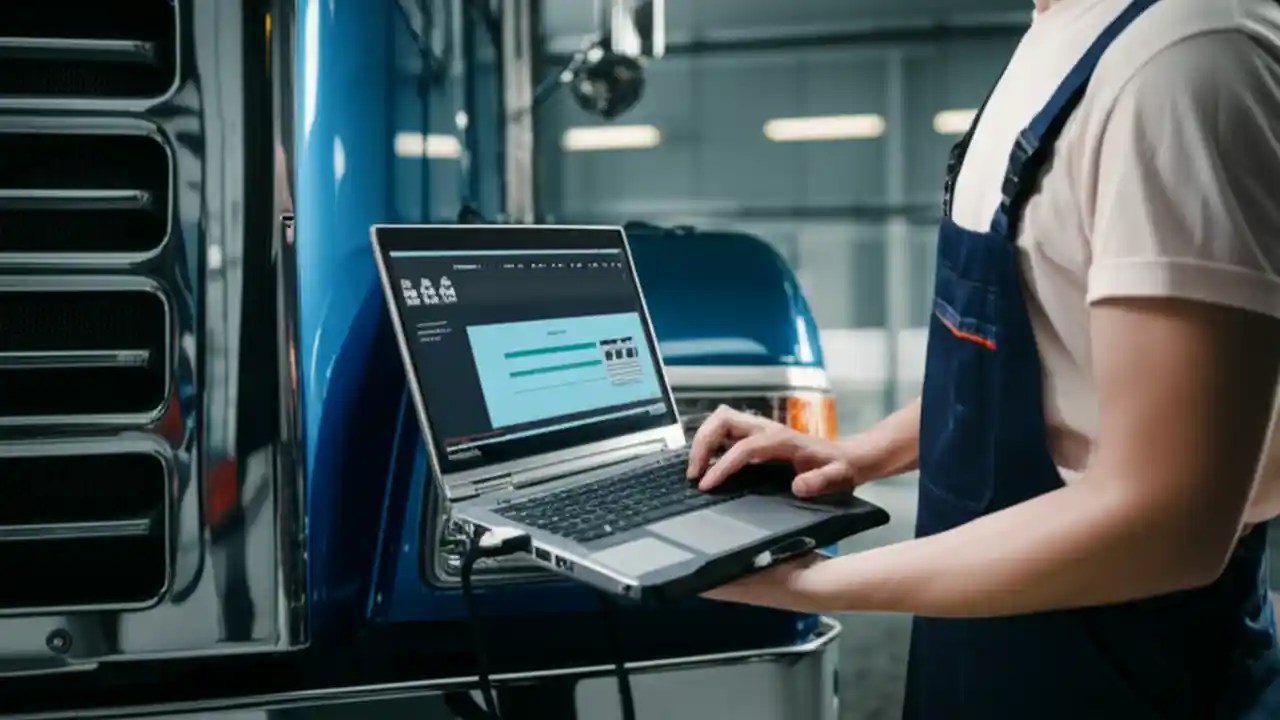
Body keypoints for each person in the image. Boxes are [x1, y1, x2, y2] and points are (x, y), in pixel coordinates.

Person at [687, 0, 1280, 717]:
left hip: (1124, 661)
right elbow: (1045, 353)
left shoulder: (1183, 57)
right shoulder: (1061, 34)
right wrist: (856, 454)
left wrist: (806, 585)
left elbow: (1168, 520)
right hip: (986, 618)